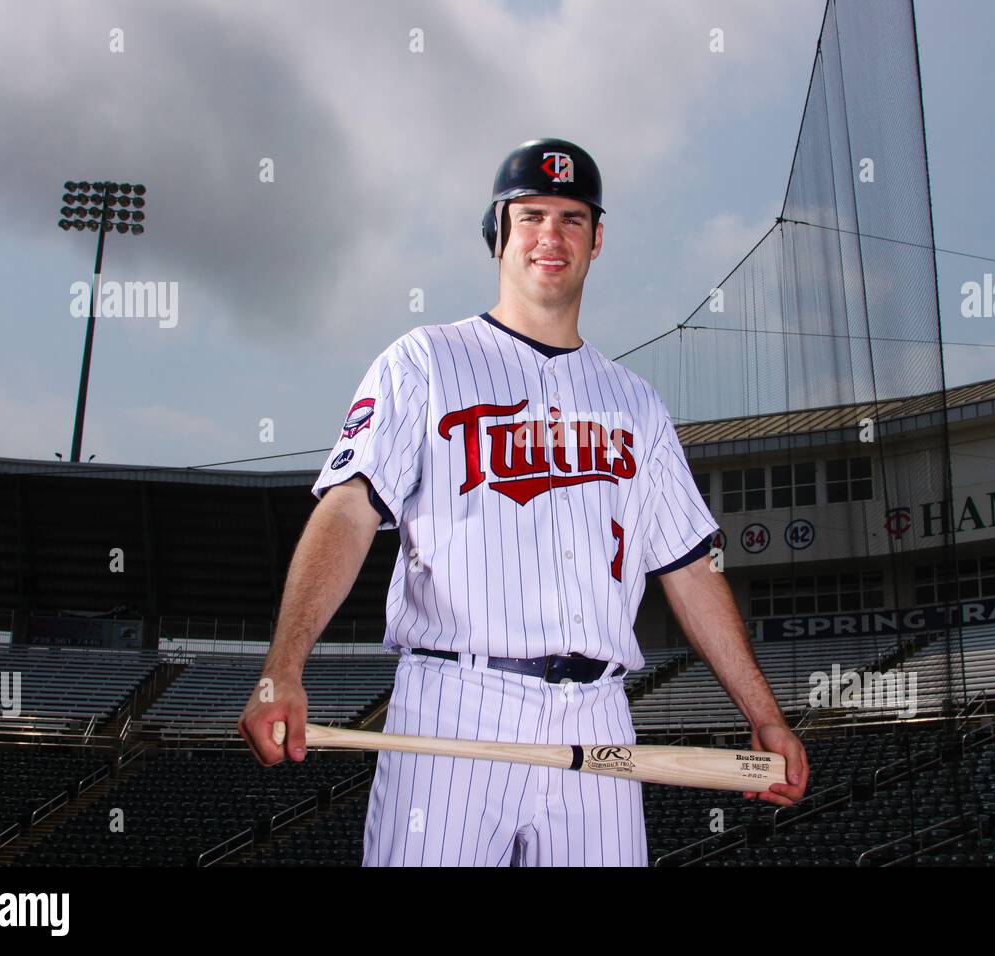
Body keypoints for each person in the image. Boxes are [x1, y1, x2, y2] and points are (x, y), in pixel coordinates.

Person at [238, 138, 808, 866]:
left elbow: (692, 569)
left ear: (597, 240)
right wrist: (281, 667)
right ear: (497, 232)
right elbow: (349, 511)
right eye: (531, 214)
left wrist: (764, 715)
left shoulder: (636, 405)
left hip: (599, 718)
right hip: (456, 704)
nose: (551, 236)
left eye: (572, 219)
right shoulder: (426, 360)